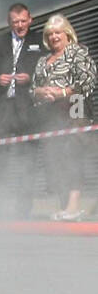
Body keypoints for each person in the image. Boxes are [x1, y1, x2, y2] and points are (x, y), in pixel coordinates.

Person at [30, 15, 97, 222]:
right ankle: (63, 205)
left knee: (72, 154)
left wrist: (62, 92)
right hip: (50, 112)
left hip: (75, 108)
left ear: (67, 33)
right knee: (54, 157)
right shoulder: (43, 61)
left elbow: (88, 81)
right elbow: (33, 89)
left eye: (58, 32)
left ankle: (73, 205)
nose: (54, 37)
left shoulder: (78, 52)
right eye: (50, 34)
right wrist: (42, 92)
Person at [0, 2, 42, 218]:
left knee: (28, 158)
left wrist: (31, 77)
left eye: (23, 21)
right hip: (3, 108)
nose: (20, 25)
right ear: (9, 23)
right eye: (15, 22)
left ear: (30, 20)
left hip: (27, 108)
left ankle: (24, 208)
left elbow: (47, 70)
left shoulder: (40, 40)